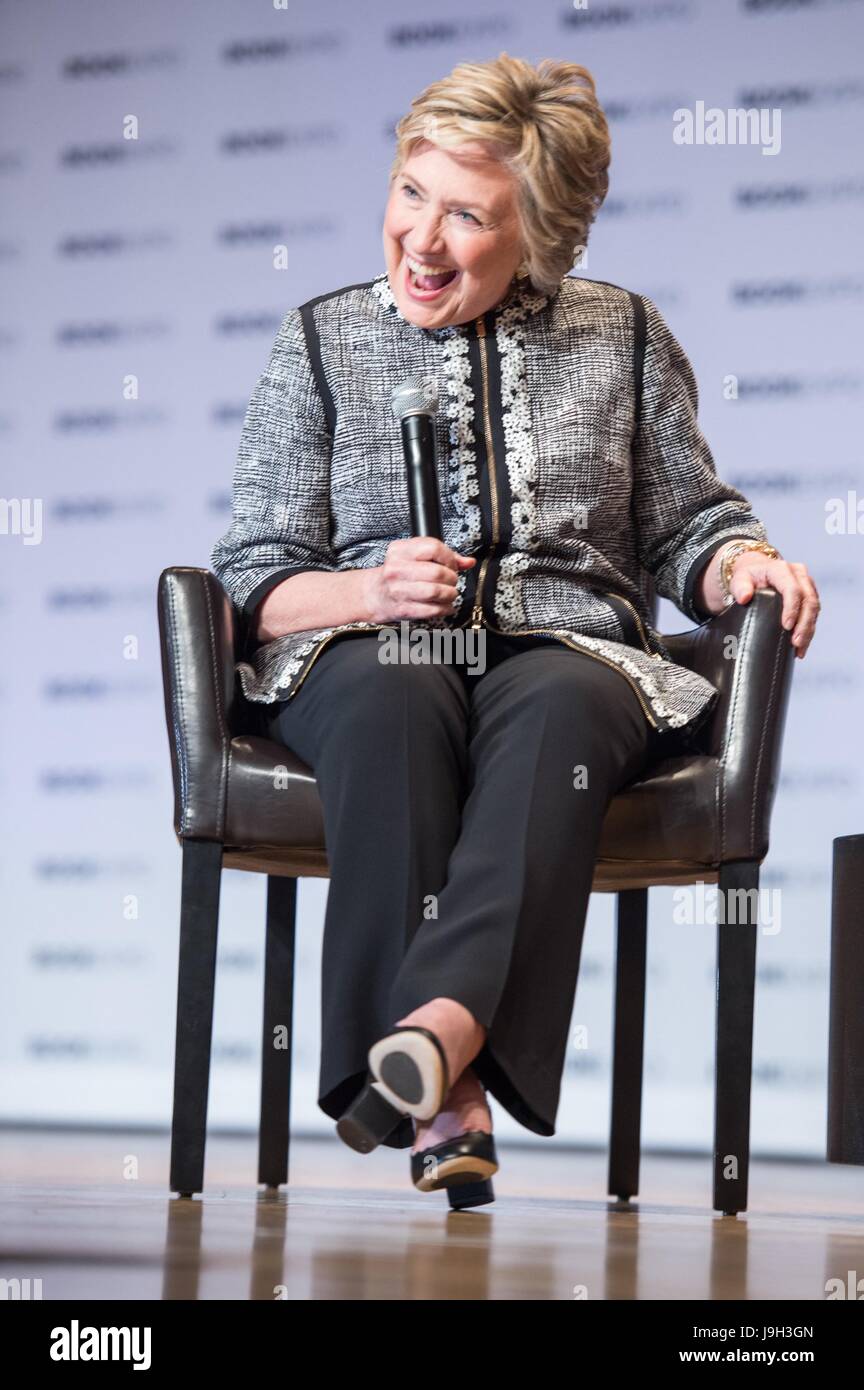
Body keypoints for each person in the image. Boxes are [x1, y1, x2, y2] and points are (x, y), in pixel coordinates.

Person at [209, 53, 820, 1206]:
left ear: (542, 237)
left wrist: (741, 560)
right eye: (409, 192)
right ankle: (449, 1074)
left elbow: (690, 523)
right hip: (366, 649)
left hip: (571, 650)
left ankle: (434, 1037)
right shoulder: (321, 340)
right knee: (397, 691)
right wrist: (366, 593)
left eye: (467, 215)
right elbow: (253, 576)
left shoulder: (623, 333)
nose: (421, 240)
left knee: (558, 707)